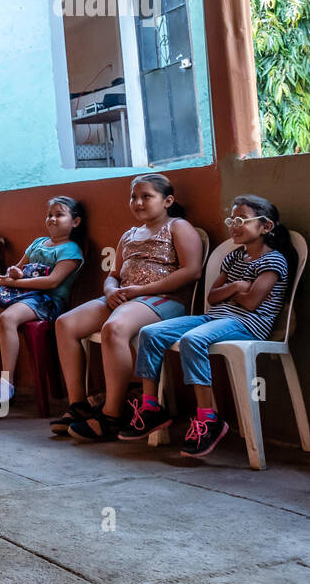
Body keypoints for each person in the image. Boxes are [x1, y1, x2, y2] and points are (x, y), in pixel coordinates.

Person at [124, 195, 294, 457]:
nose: (233, 226)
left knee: (193, 339)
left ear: (266, 227)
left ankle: (207, 419)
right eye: (231, 220)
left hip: (247, 324)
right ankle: (151, 408)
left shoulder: (274, 261)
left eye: (241, 220)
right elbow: (212, 297)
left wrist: (229, 292)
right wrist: (237, 286)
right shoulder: (235, 257)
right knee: (150, 333)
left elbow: (251, 304)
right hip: (214, 318)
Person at [54, 174, 203, 440]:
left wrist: (141, 291)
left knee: (114, 328)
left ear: (167, 200)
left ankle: (112, 414)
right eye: (134, 197)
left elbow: (191, 272)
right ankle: (78, 406)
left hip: (164, 300)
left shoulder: (178, 227)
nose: (138, 202)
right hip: (126, 296)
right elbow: (114, 273)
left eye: (147, 196)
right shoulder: (129, 235)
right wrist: (110, 290)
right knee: (65, 323)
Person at [0, 196, 86, 410]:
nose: (52, 219)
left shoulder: (71, 249)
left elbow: (52, 281)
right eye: (50, 215)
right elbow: (18, 268)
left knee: (7, 319)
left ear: (75, 222)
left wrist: (15, 280)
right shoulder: (38, 243)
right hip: (16, 293)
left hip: (45, 300)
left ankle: (6, 384)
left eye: (59, 215)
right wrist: (11, 274)